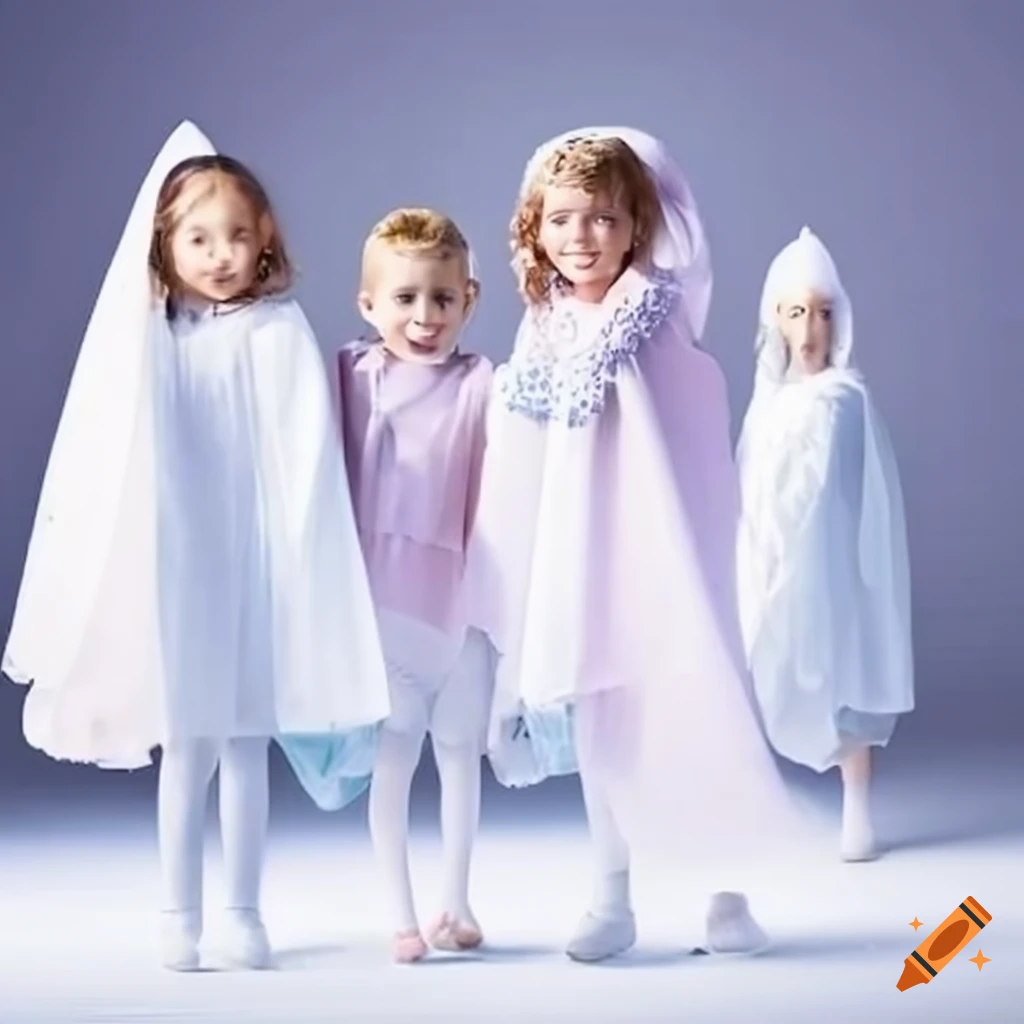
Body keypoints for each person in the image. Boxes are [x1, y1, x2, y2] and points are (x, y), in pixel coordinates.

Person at [2, 121, 389, 971]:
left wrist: (297, 562)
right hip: (179, 572)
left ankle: (244, 913)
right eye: (198, 238)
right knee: (189, 746)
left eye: (238, 236)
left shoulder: (276, 330)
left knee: (247, 742)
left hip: (255, 564)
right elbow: (114, 448)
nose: (219, 255)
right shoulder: (151, 341)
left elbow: (305, 454)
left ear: (267, 242)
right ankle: (179, 912)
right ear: (163, 244)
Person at [473, 127, 809, 963]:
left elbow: (683, 428)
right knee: (603, 718)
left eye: (603, 219)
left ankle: (725, 895)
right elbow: (525, 445)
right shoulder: (544, 325)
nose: (580, 238)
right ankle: (610, 894)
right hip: (582, 554)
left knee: (695, 707)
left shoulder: (653, 316)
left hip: (664, 557)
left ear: (638, 227)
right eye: (561, 220)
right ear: (533, 227)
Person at [280, 208, 494, 963]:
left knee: (462, 751)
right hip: (385, 601)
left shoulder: (481, 384)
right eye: (404, 299)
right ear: (367, 304)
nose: (425, 317)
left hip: (463, 598)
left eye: (442, 299)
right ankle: (402, 915)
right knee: (397, 752)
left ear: (469, 299)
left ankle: (457, 901)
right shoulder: (352, 375)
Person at [735, 225, 914, 862]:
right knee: (773, 665)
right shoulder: (768, 406)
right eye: (796, 312)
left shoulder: (844, 398)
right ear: (776, 320)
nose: (811, 327)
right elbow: (754, 484)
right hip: (776, 560)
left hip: (833, 564)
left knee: (845, 670)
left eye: (823, 312)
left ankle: (856, 805)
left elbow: (846, 488)